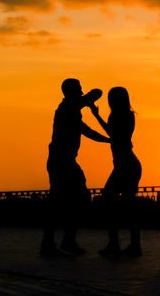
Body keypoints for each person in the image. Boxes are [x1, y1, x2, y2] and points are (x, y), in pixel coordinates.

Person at [41, 78, 109, 257]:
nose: (81, 91)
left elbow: (86, 131)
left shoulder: (71, 110)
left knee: (75, 199)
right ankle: (52, 243)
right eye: (78, 89)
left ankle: (66, 241)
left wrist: (108, 140)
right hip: (61, 160)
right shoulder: (66, 108)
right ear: (70, 91)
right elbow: (97, 92)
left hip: (66, 160)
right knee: (60, 201)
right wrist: (87, 100)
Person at [90, 87, 143, 257]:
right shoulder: (128, 115)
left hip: (125, 165)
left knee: (111, 200)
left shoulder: (119, 115)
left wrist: (96, 115)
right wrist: (97, 116)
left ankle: (116, 244)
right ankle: (133, 245)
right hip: (128, 164)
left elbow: (113, 134)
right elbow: (113, 134)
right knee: (128, 206)